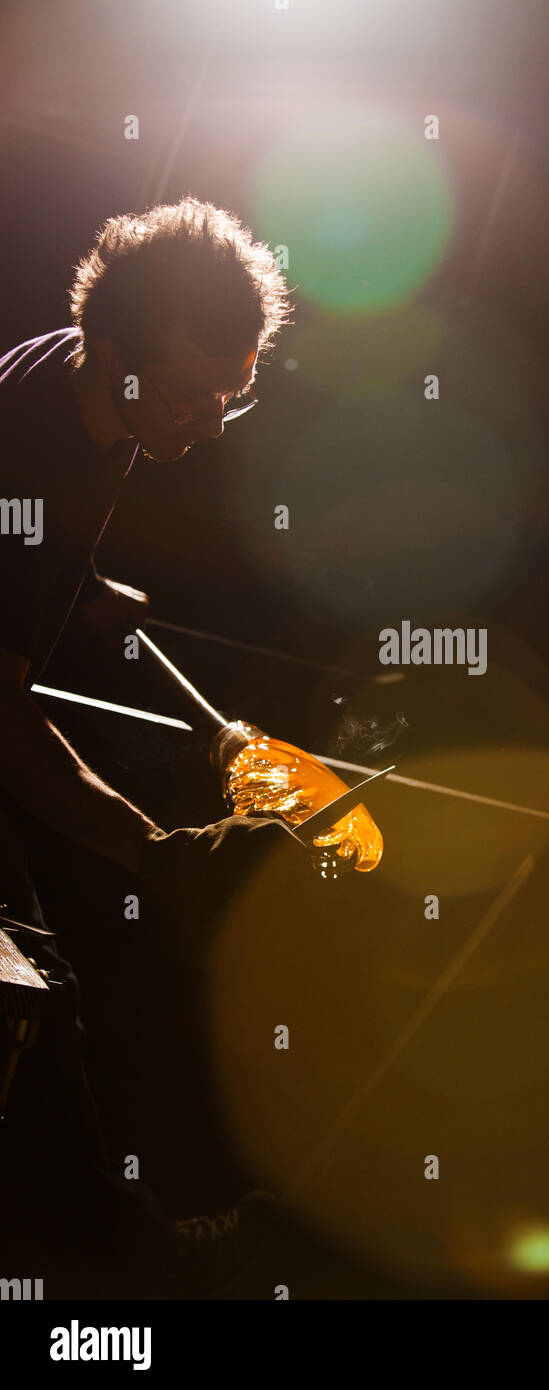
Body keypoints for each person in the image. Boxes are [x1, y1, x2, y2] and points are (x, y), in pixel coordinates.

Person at [0, 196, 300, 1298]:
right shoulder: (21, 448)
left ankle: (107, 1243)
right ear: (112, 351)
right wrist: (157, 850)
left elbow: (28, 554)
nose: (208, 425)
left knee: (43, 987)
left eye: (231, 396)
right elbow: (12, 744)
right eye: (190, 395)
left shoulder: (105, 408)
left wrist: (79, 599)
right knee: (31, 992)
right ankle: (121, 1266)